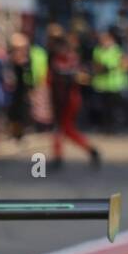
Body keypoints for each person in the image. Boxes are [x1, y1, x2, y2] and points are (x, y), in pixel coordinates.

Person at [49, 30, 100, 171]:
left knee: (62, 128)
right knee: (66, 129)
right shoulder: (59, 59)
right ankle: (89, 150)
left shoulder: (69, 60)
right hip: (62, 99)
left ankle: (59, 157)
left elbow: (81, 77)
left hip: (68, 100)